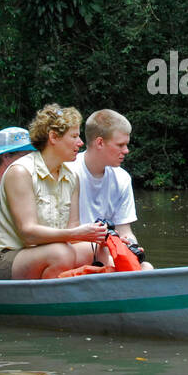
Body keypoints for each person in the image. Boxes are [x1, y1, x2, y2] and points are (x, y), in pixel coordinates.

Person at [0, 105, 109, 280]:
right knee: (61, 253)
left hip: (46, 252)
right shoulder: (21, 172)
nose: (81, 143)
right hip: (0, 260)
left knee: (98, 249)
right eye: (74, 136)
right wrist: (77, 233)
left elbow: (73, 232)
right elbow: (28, 234)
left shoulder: (71, 177)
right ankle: (51, 301)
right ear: (53, 137)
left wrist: (102, 237)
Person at [73, 109, 153, 271]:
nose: (126, 151)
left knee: (146, 267)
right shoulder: (69, 171)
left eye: (126, 145)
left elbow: (124, 230)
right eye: (120, 145)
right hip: (76, 251)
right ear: (100, 143)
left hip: (105, 254)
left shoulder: (122, 178)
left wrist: (132, 248)